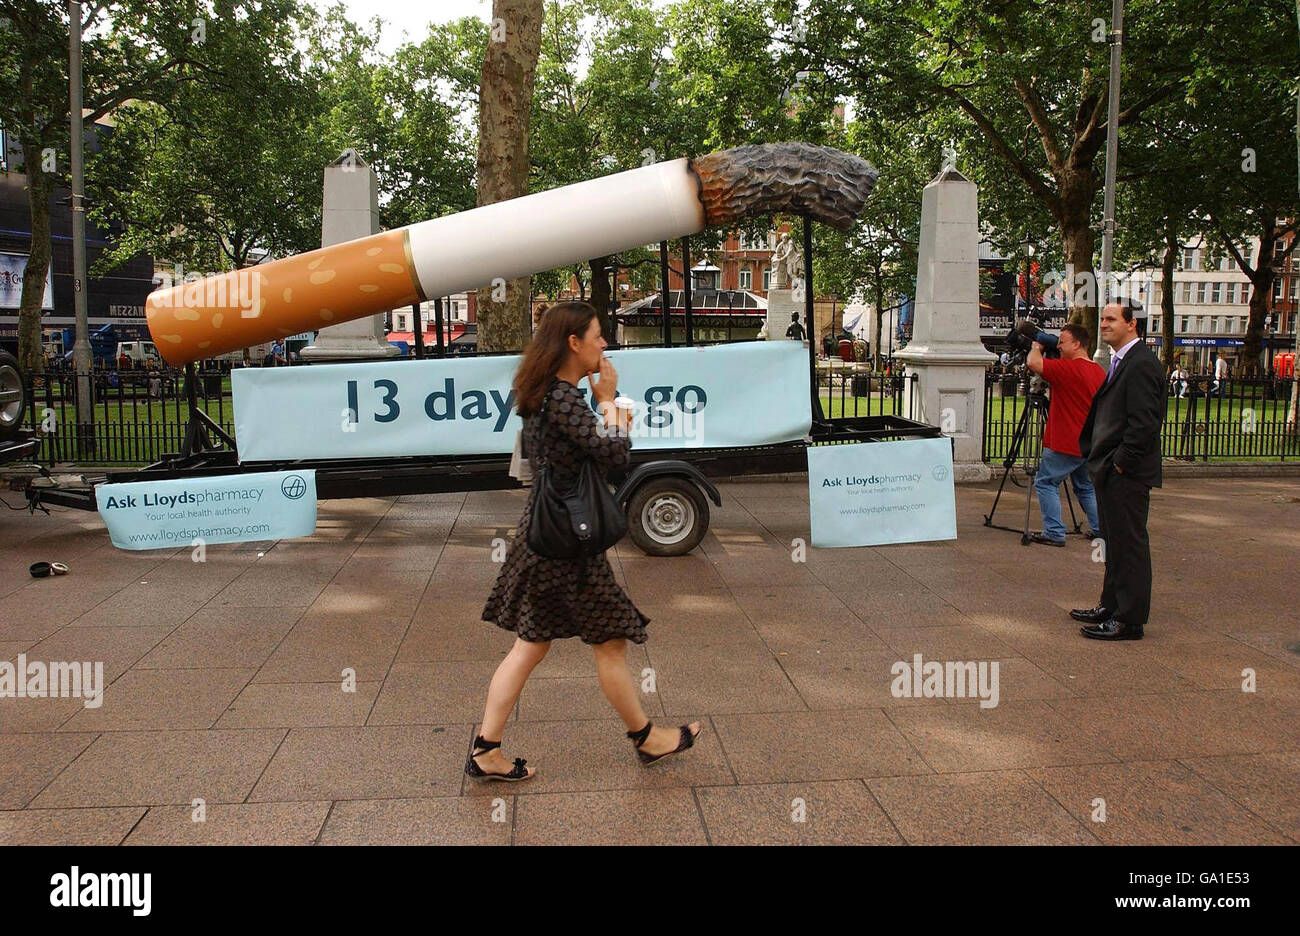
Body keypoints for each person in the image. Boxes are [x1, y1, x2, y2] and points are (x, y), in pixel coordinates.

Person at [469, 301, 702, 782]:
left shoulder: (546, 394)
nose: (605, 344)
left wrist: (601, 407)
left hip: (548, 538)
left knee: (535, 646)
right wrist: (612, 406)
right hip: (565, 548)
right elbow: (614, 457)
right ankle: (648, 740)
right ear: (573, 342)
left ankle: (486, 750)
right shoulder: (561, 398)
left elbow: (579, 459)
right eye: (598, 336)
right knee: (602, 642)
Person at [1073, 300, 1165, 641]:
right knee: (1114, 543)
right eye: (1103, 319)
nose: (1104, 324)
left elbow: (1144, 425)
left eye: (1112, 319)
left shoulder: (1140, 364)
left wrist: (1120, 464)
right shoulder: (1122, 360)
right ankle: (1110, 605)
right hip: (1111, 470)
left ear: (1132, 325)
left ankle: (1129, 620)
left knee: (1129, 546)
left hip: (1127, 473)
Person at [1025, 323, 1104, 546]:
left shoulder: (1068, 368)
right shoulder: (1098, 371)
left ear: (1077, 344)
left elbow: (1033, 362)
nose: (1058, 346)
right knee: (1085, 487)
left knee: (1046, 482)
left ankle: (1054, 531)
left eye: (1062, 342)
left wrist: (1036, 346)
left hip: (1064, 441)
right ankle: (1101, 529)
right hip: (1087, 442)